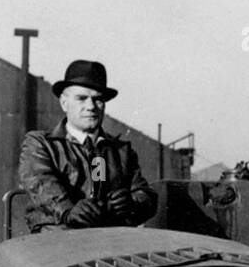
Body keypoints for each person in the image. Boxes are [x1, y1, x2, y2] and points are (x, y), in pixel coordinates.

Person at [18, 60, 158, 233]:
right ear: (64, 103)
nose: (91, 106)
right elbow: (40, 183)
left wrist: (131, 203)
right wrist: (67, 210)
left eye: (98, 99)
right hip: (55, 241)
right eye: (81, 98)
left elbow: (144, 194)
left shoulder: (121, 151)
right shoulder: (41, 144)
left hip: (110, 242)